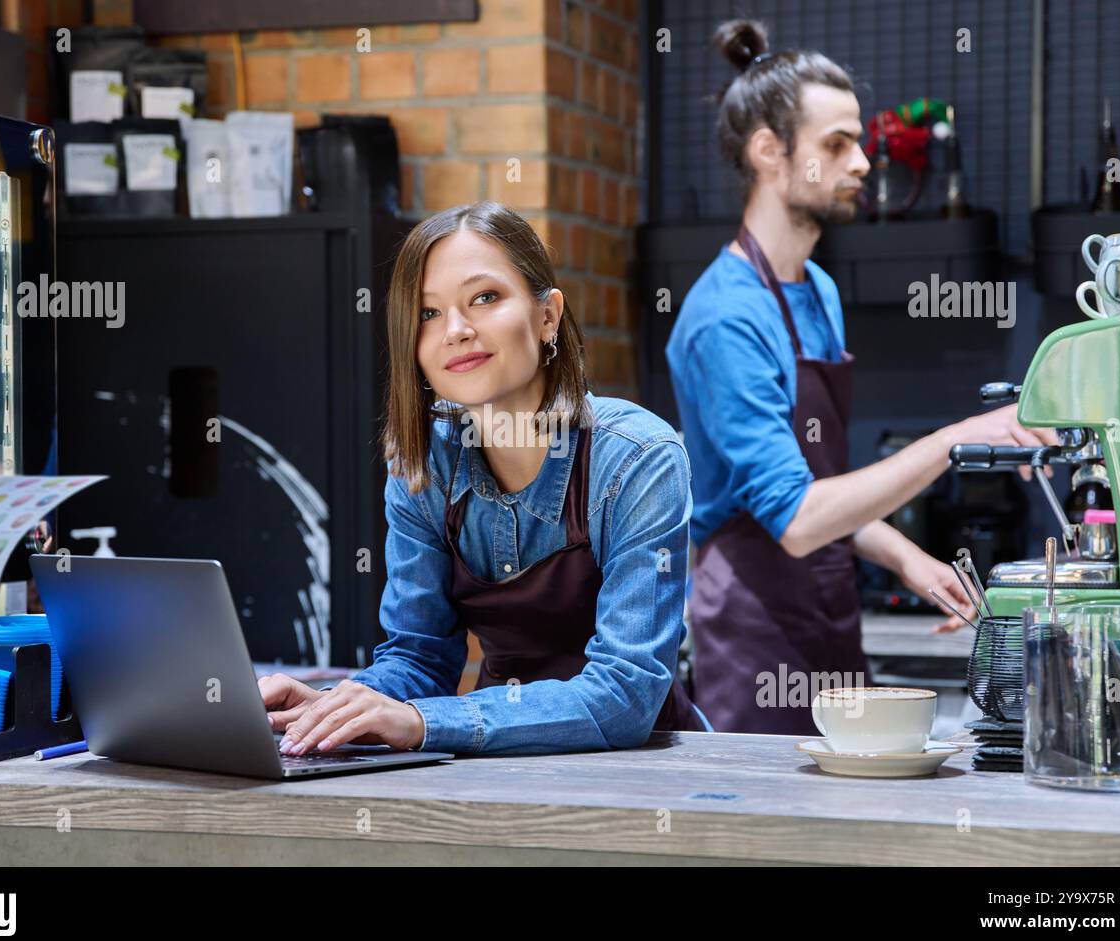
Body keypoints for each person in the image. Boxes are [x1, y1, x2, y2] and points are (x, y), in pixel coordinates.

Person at [665, 20, 1056, 734]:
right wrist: (962, 436)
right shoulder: (724, 319)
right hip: (754, 626)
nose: (864, 163)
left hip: (828, 609)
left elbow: (822, 493)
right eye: (836, 144)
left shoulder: (817, 290)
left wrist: (909, 559)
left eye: (859, 141)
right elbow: (797, 518)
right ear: (769, 153)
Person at [259, 200, 711, 756]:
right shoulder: (422, 462)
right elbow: (418, 659)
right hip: (493, 768)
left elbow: (626, 696)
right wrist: (332, 707)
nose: (455, 330)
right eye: (427, 314)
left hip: (647, 771)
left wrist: (425, 724)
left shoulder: (639, 458)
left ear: (547, 316)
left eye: (485, 298)